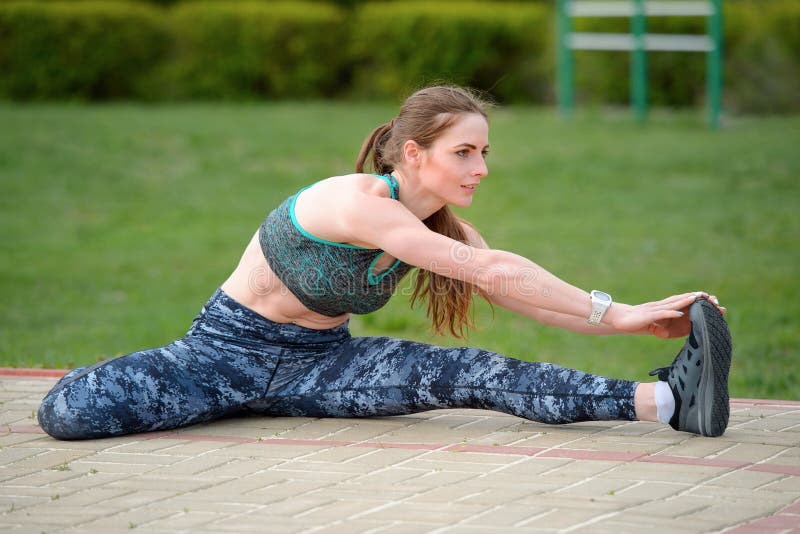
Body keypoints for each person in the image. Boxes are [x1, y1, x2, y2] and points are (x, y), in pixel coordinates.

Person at [37, 85, 732, 441]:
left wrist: (632, 323)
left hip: (323, 366)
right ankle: (175, 393)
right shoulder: (357, 204)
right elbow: (491, 273)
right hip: (224, 355)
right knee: (68, 412)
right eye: (465, 152)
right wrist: (623, 309)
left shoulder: (443, 228)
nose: (481, 167)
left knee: (470, 374)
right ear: (413, 153)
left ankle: (669, 402)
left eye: (485, 152)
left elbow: (519, 291)